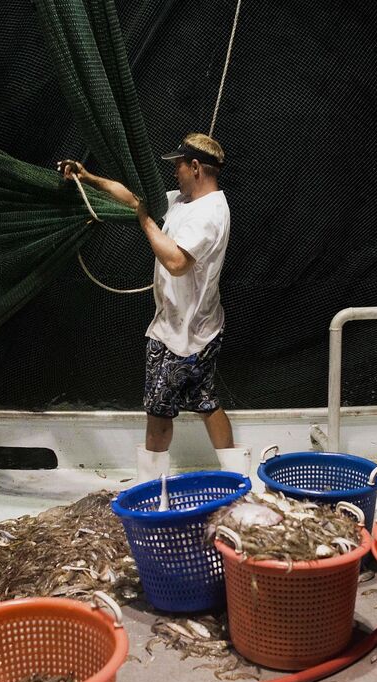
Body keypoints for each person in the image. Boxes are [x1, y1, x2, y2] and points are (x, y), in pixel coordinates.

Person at [58, 133, 250, 481]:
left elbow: (177, 261)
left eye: (178, 164)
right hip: (203, 327)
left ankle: (148, 490)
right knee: (206, 400)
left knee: (158, 413)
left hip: (179, 334)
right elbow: (134, 200)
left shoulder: (210, 214)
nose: (174, 171)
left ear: (195, 167)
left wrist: (146, 220)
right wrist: (87, 178)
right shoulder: (183, 200)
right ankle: (239, 478)